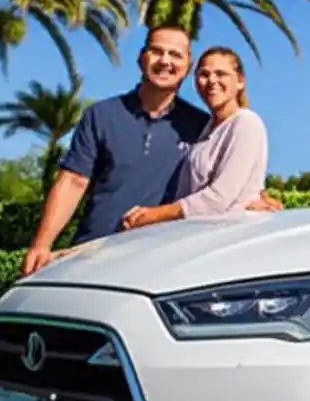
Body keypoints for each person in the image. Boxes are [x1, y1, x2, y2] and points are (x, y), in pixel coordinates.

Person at [21, 26, 279, 276]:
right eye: (157, 51)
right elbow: (73, 181)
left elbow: (226, 182)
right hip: (93, 252)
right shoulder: (101, 115)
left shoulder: (200, 125)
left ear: (186, 66)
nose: (165, 61)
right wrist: (42, 244)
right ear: (141, 58)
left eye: (175, 55)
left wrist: (255, 198)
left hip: (155, 261)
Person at [121, 46, 268, 230]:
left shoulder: (246, 123)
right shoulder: (206, 130)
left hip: (228, 237)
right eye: (204, 74)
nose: (212, 81)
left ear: (240, 81)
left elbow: (220, 198)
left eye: (221, 74)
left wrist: (153, 215)